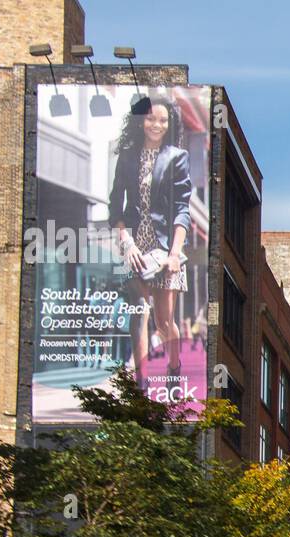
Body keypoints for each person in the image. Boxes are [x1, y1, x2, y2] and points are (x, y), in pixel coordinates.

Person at [109, 94, 193, 384]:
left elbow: (182, 210)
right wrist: (127, 242)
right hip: (136, 247)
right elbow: (115, 206)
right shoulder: (127, 157)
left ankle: (173, 367)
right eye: (150, 118)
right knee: (139, 312)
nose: (156, 125)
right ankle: (140, 382)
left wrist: (174, 254)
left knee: (164, 321)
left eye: (162, 120)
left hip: (164, 248)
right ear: (140, 121)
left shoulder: (176, 158)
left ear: (169, 124)